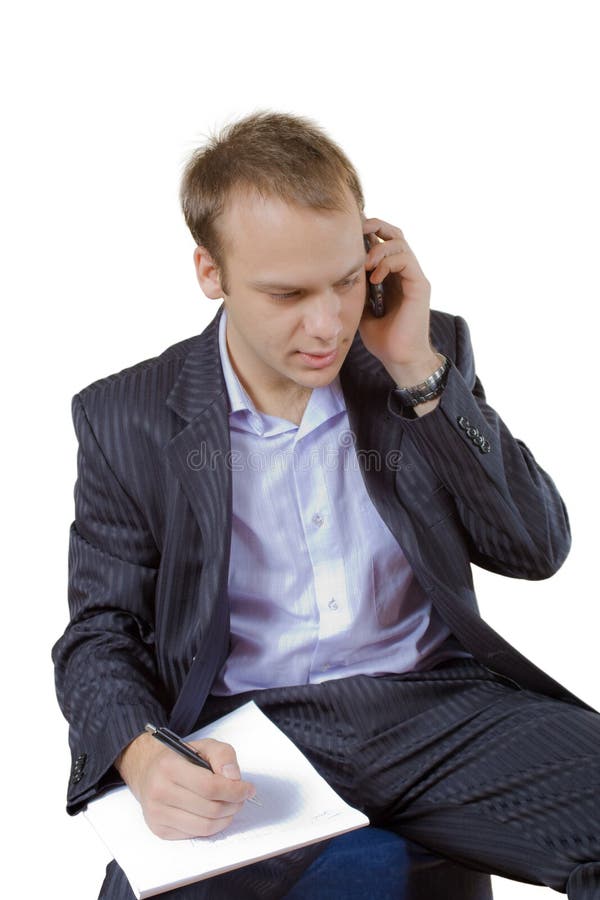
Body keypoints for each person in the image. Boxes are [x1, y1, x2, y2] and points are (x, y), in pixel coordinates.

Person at [53, 110, 600, 900]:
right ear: (211, 273)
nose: (329, 323)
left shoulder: (418, 355)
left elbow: (534, 548)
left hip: (439, 711)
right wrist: (142, 754)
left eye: (346, 280)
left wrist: (417, 367)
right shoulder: (125, 414)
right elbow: (100, 632)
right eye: (288, 294)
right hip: (254, 732)